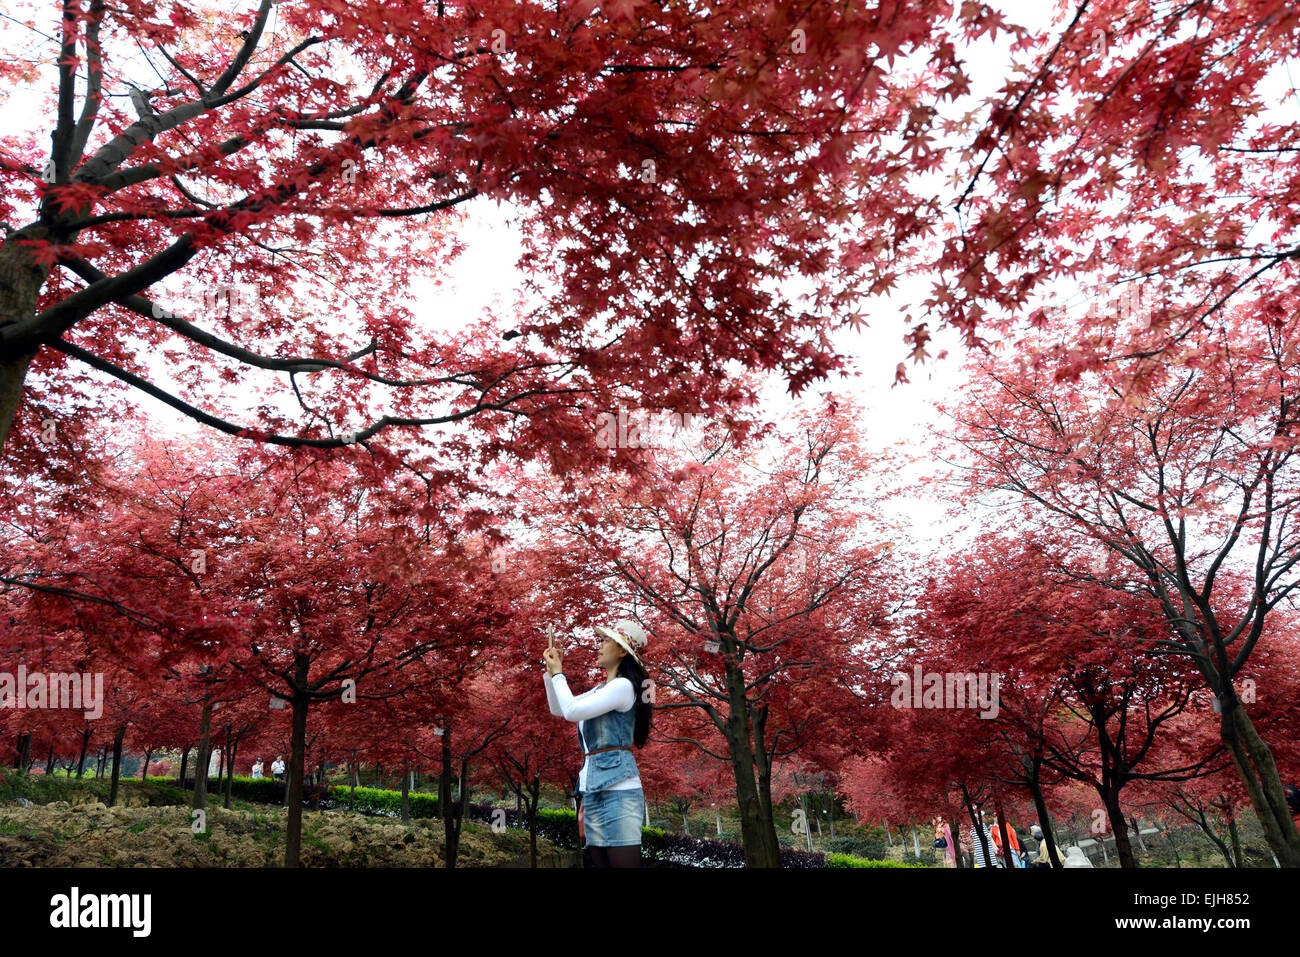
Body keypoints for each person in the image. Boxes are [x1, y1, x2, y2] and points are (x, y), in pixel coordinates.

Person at [543, 619, 653, 868]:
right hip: (593, 791)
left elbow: (571, 711)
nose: (599, 645)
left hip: (620, 791)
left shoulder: (623, 687)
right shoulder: (601, 689)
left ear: (623, 651)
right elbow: (559, 709)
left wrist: (559, 673)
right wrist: (552, 675)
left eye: (605, 641)